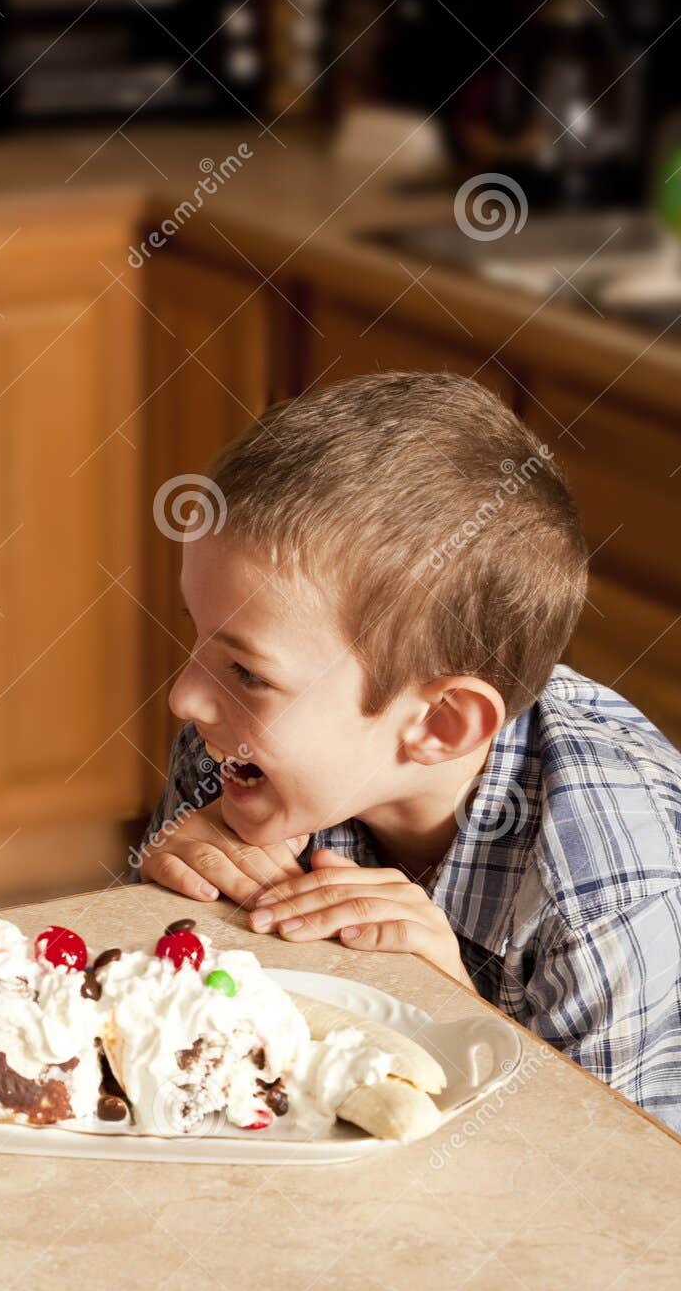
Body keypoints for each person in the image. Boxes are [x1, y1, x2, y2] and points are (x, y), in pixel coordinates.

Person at [138, 372, 681, 1127]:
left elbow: (612, 1200)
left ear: (439, 725)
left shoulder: (610, 889)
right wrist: (175, 893)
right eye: (200, 634)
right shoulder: (234, 744)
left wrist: (452, 1016)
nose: (186, 697)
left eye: (246, 671)